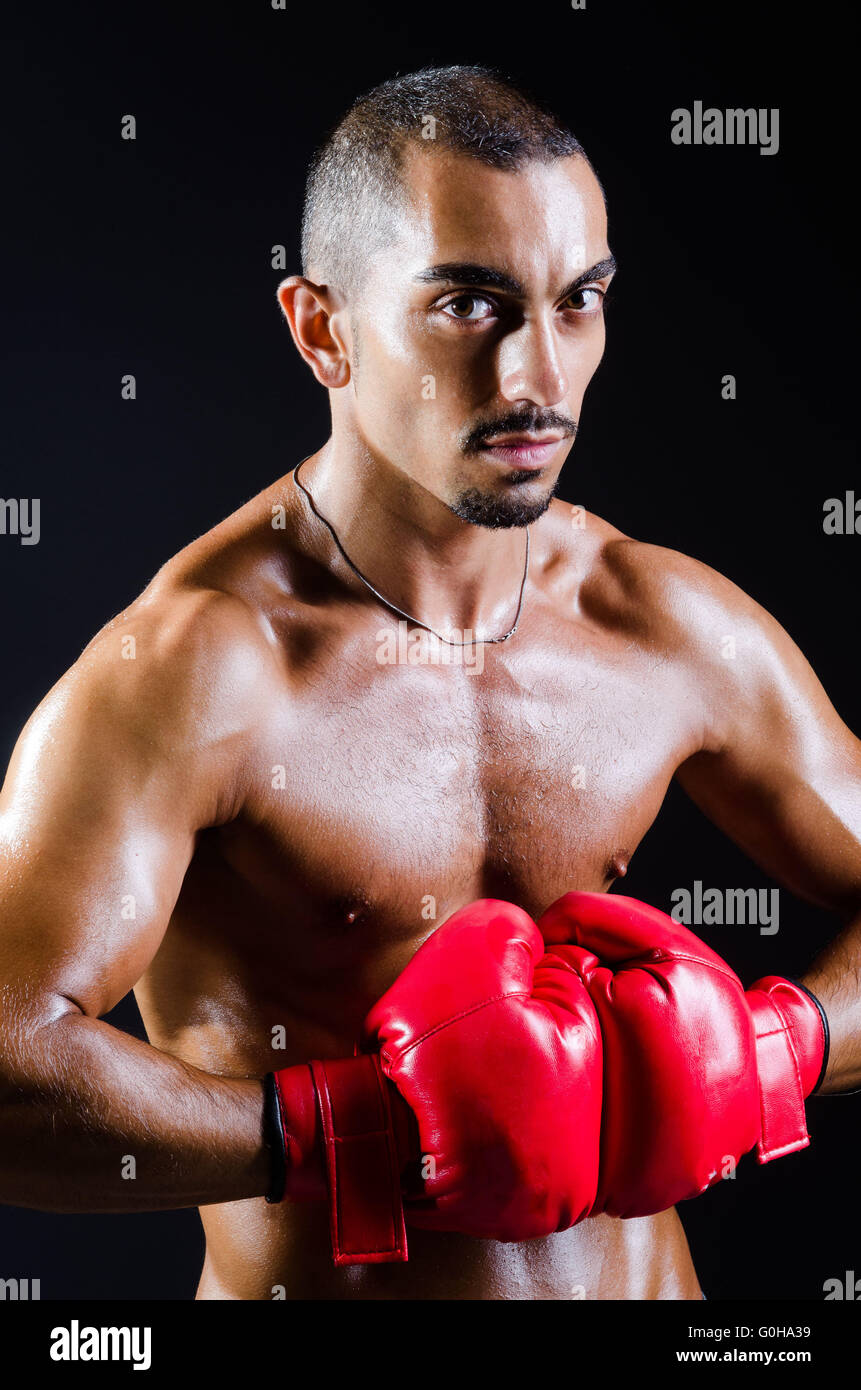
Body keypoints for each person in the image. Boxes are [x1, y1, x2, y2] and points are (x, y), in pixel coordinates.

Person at [0, 66, 858, 1301]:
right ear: (323, 329)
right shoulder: (195, 672)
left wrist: (779, 1049)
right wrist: (336, 1139)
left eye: (582, 301)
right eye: (470, 304)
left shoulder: (661, 621)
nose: (538, 377)